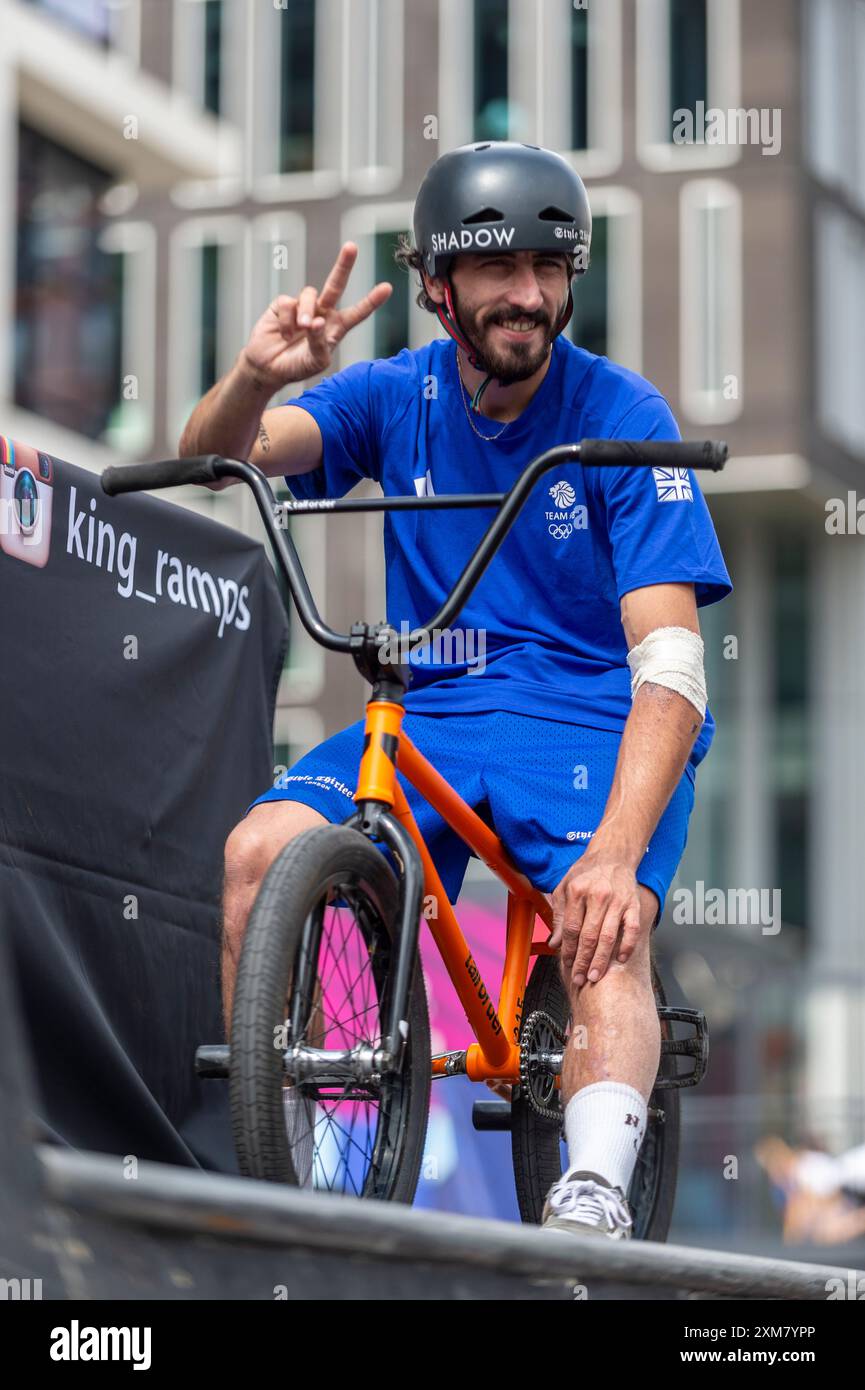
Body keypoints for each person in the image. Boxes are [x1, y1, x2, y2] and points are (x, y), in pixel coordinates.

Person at [179, 141, 732, 1239]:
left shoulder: (623, 413)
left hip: (586, 716)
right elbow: (217, 461)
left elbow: (670, 662)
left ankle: (591, 1189)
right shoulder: (393, 395)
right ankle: (282, 1169)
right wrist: (256, 377)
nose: (528, 293)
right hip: (429, 710)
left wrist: (616, 853)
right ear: (438, 285)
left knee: (599, 927)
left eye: (549, 266)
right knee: (256, 852)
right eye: (496, 269)